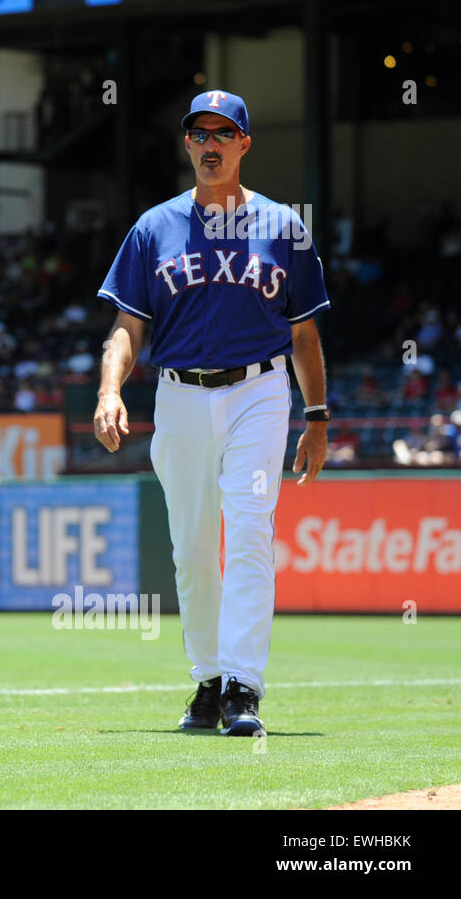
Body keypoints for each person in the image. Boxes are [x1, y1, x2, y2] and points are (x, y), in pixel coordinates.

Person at [93, 90, 331, 736]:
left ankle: (243, 685)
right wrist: (110, 389)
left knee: (249, 528)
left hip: (259, 389)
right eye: (199, 132)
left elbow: (305, 333)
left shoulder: (284, 227)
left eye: (223, 132)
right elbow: (126, 327)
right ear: (188, 143)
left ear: (244, 144)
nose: (210, 143)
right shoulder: (154, 228)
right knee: (193, 548)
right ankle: (207, 678)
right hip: (179, 394)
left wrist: (317, 416)